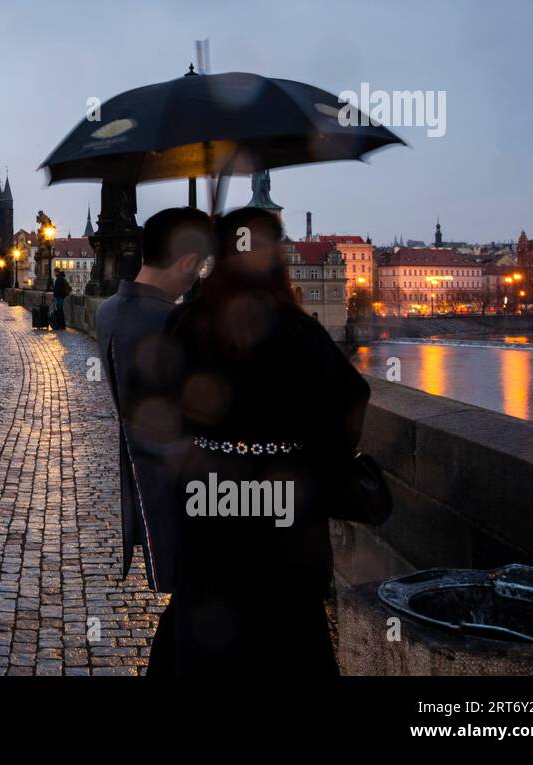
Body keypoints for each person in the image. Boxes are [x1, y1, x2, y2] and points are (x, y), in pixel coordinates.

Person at [158, 207, 392, 677]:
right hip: (285, 521)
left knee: (202, 634)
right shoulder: (298, 331)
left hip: (208, 513)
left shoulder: (183, 327)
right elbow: (352, 401)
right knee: (289, 639)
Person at [95, 207, 215, 657]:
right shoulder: (170, 324)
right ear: (186, 263)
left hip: (143, 487)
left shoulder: (108, 311)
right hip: (185, 497)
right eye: (198, 266)